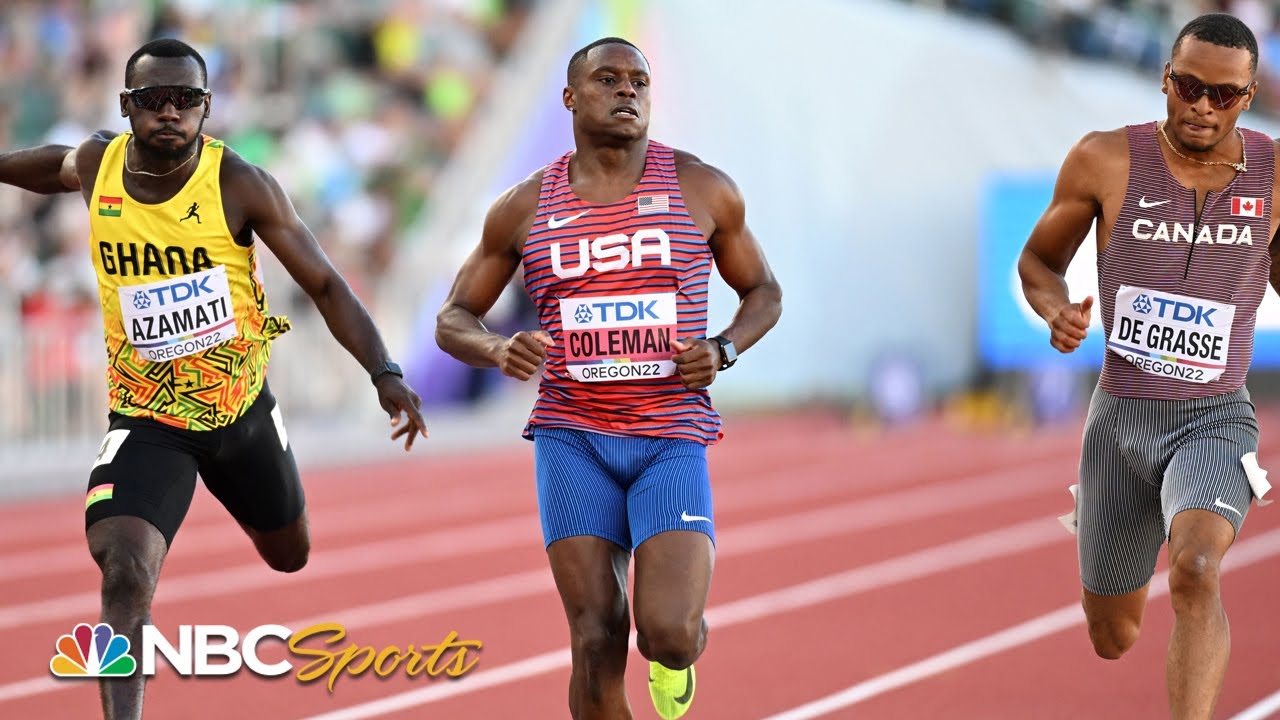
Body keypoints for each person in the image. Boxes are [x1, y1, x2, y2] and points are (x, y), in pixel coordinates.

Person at [0, 38, 427, 719]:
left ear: (207, 106)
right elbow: (52, 165)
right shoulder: (99, 164)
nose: (170, 112)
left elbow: (323, 282)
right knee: (125, 569)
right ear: (127, 105)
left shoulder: (239, 183)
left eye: (187, 99)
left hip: (241, 412)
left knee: (290, 554)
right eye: (153, 99)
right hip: (148, 419)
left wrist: (384, 370)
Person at [435, 36, 781, 720]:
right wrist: (498, 349)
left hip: (668, 436)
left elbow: (763, 292)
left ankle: (677, 657)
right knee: (595, 635)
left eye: (639, 81)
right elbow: (453, 318)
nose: (627, 90)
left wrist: (724, 349)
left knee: (669, 633)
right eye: (608, 79)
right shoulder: (523, 207)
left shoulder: (701, 188)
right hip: (573, 438)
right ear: (570, 97)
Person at [1018, 14, 1276, 719]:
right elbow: (1039, 260)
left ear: (1248, 96)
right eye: (1189, 87)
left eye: (1223, 95)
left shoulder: (1276, 173)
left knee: (1196, 570)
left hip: (1216, 416)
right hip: (1122, 418)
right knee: (1113, 635)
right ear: (1165, 79)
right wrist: (1055, 310)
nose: (1202, 106)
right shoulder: (1104, 159)